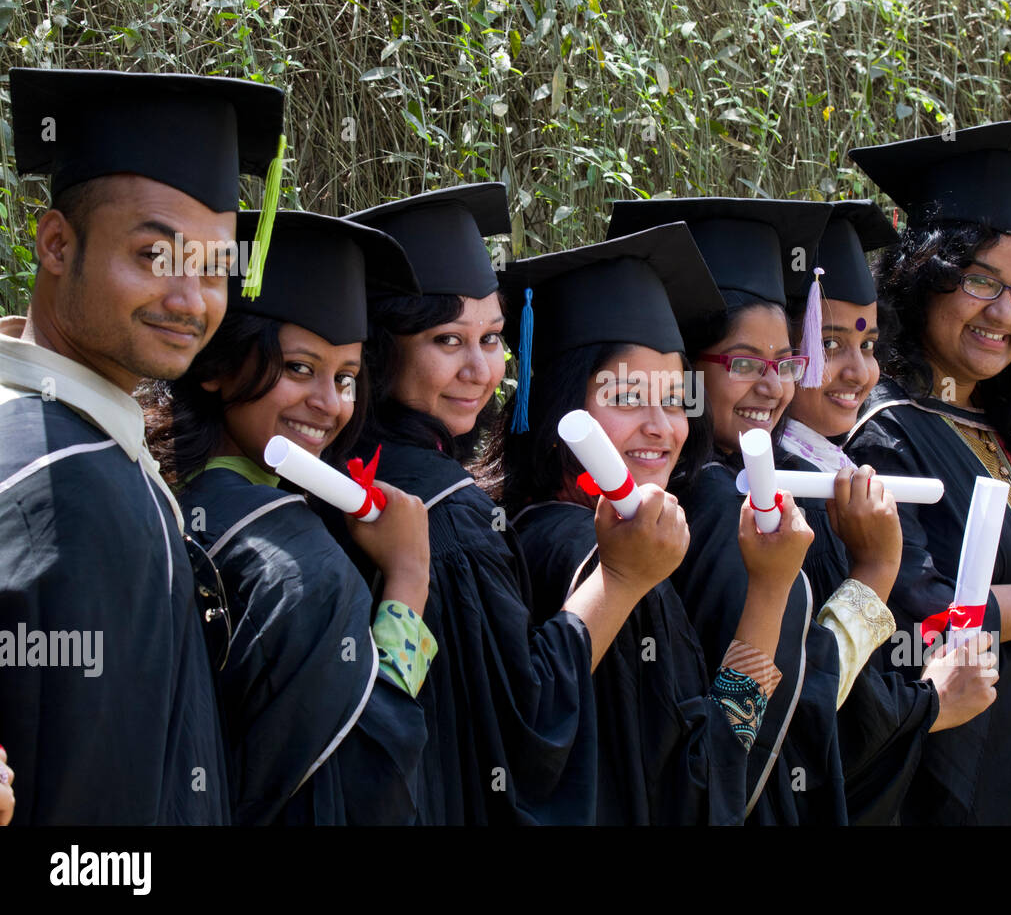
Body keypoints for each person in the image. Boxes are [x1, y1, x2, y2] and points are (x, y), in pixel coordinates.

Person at [0, 68, 282, 824]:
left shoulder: (72, 441)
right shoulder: (66, 480)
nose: (194, 301)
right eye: (157, 257)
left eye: (217, 266)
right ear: (57, 243)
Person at [497, 222, 812, 823]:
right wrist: (769, 590)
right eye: (626, 397)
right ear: (565, 408)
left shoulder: (531, 531)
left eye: (673, 400)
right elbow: (704, 775)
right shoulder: (606, 565)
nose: (661, 428)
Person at [844, 121, 1011, 824]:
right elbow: (913, 605)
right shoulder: (884, 432)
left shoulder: (995, 428)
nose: (1004, 313)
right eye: (980, 281)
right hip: (951, 778)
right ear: (923, 276)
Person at [608, 197, 909, 823]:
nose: (774, 387)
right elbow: (781, 714)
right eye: (744, 363)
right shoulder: (718, 506)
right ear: (687, 370)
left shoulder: (720, 490)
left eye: (786, 362)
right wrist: (873, 576)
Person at [145, 211, 435, 824]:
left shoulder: (149, 486)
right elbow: (368, 764)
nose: (329, 404)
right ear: (217, 367)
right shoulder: (297, 561)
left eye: (348, 378)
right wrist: (408, 580)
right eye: (300, 368)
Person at [342, 184, 600, 824]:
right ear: (382, 347)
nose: (481, 371)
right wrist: (622, 580)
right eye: (447, 340)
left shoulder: (341, 468)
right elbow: (525, 729)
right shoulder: (449, 514)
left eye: (492, 339)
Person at [784, 200, 999, 823]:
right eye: (829, 344)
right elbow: (787, 713)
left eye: (869, 343)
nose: (858, 371)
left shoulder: (841, 477)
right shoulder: (773, 495)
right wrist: (931, 702)